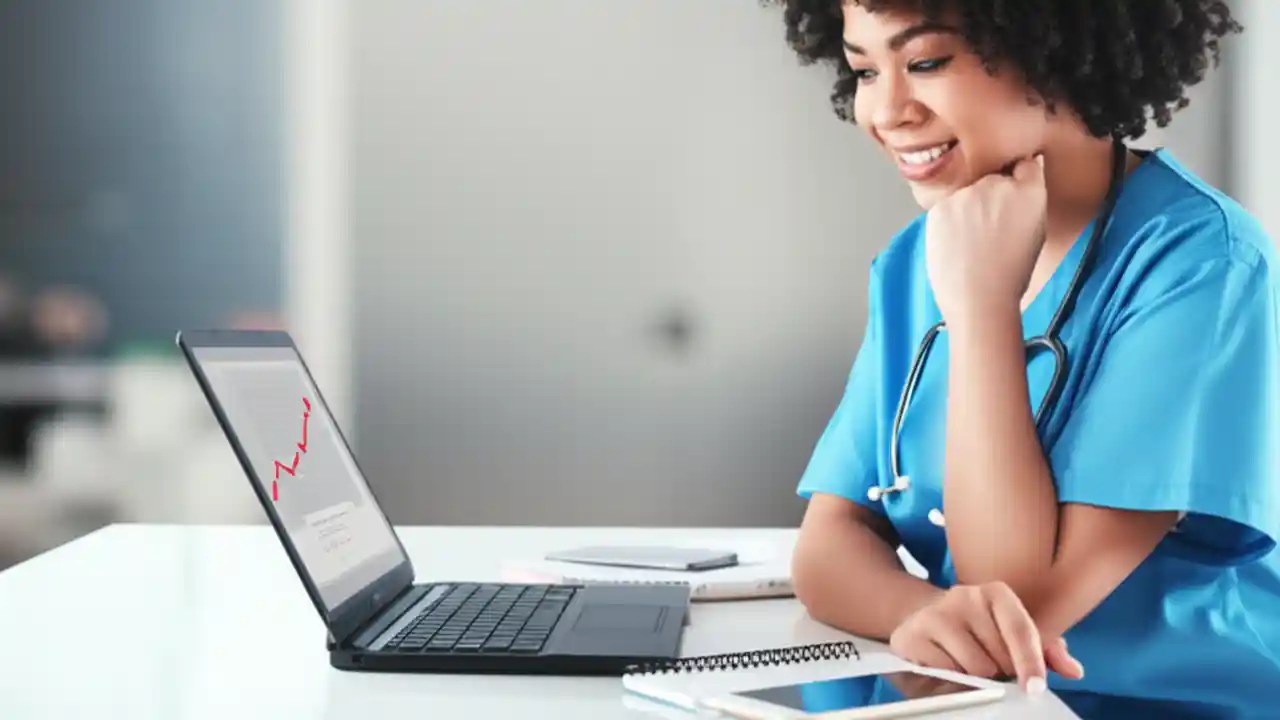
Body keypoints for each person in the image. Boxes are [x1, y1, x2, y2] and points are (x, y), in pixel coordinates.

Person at [774, 1, 1278, 717]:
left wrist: (982, 310)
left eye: (924, 63)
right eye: (863, 69)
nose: (886, 111)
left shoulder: (1202, 265)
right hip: (987, 702)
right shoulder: (918, 260)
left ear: (1053, 48)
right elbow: (828, 546)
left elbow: (1020, 599)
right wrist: (916, 613)